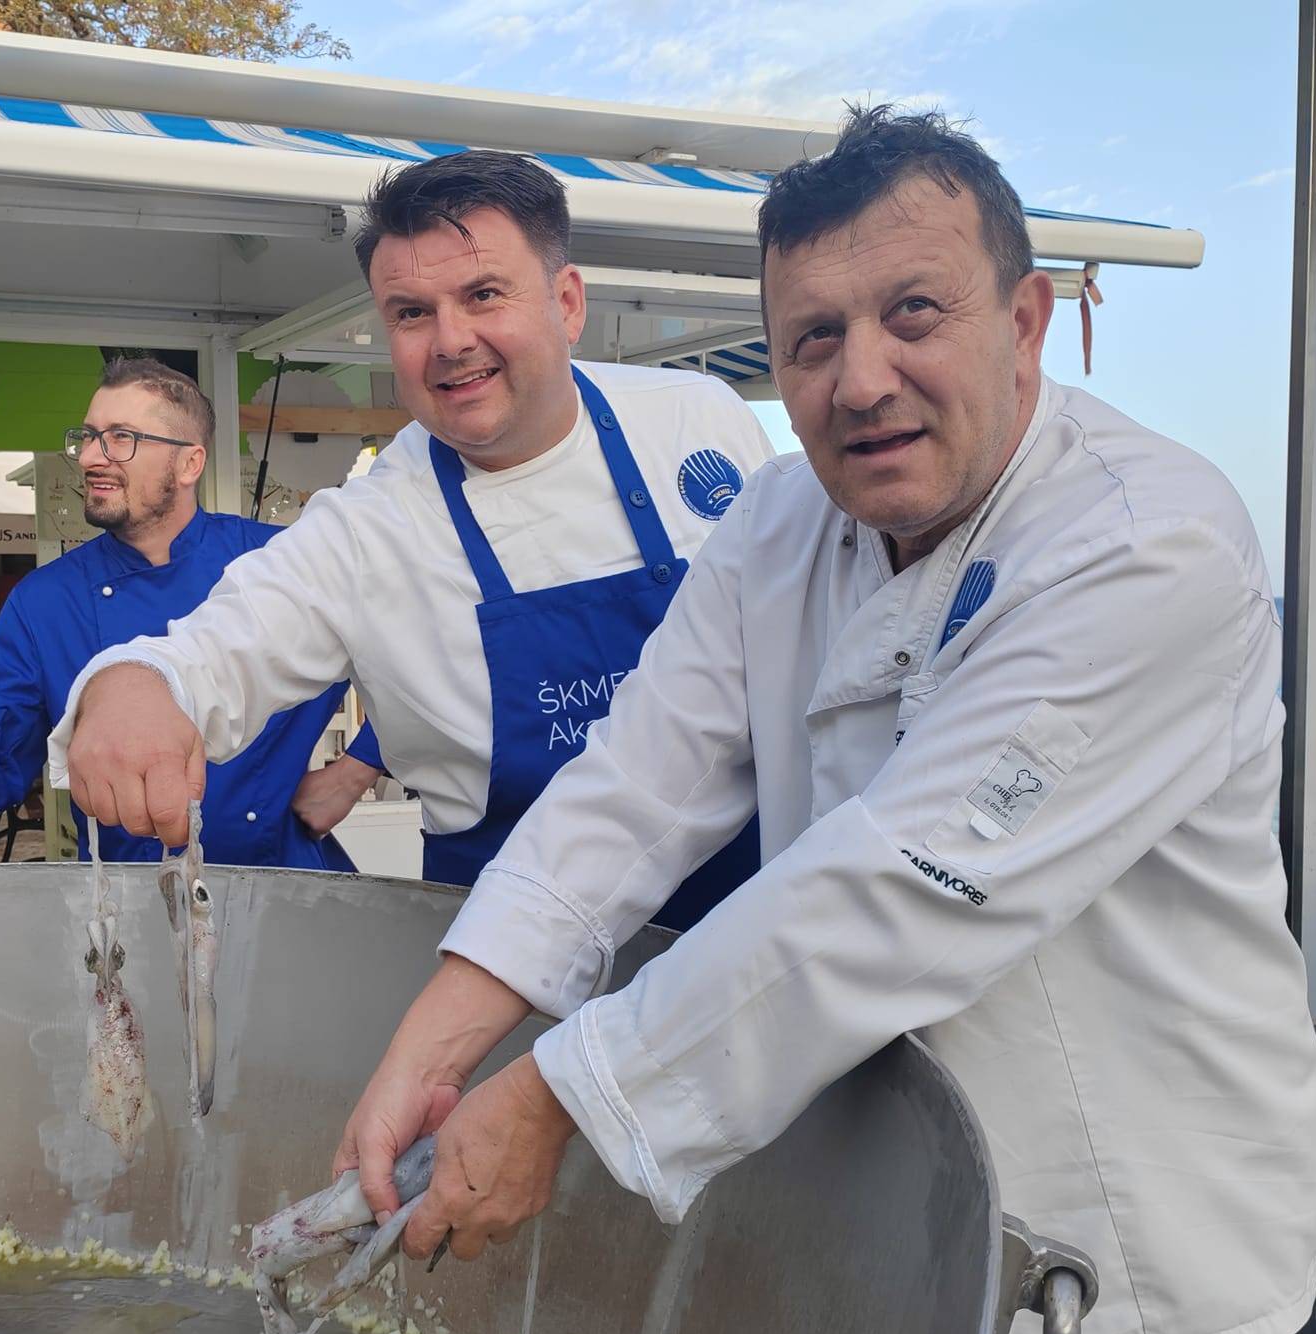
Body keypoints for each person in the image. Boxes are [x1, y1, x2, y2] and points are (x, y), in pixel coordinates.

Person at [335, 108, 1316, 1334]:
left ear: (1025, 320)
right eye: (811, 339)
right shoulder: (780, 525)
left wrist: (555, 1099)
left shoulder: (1142, 542)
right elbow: (629, 789)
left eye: (913, 313)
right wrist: (426, 1052)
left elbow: (894, 891)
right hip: (903, 1260)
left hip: (1139, 1290)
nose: (861, 380)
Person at [49, 150, 776, 928]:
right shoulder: (366, 530)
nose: (450, 341)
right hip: (513, 945)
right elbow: (212, 650)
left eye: (484, 294)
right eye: (410, 313)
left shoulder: (699, 415)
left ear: (566, 302)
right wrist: (132, 686)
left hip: (748, 917)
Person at [0, 357, 370, 869]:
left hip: (282, 878)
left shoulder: (279, 563)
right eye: (88, 437)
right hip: (122, 895)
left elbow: (409, 642)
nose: (92, 457)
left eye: (121, 438)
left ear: (189, 464)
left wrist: (355, 771)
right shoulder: (45, 600)